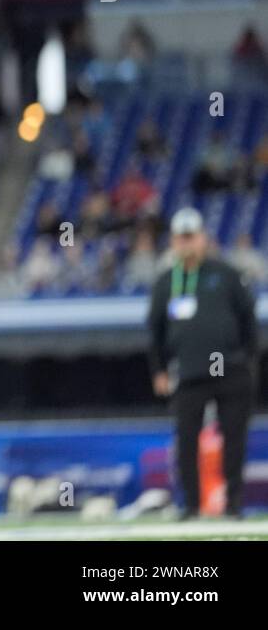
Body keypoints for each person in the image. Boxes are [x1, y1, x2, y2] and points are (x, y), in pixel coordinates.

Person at [147, 208, 259, 520]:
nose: (186, 244)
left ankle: (234, 504)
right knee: (186, 439)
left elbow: (248, 318)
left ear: (203, 238)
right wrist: (158, 369)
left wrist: (249, 360)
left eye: (191, 237)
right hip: (189, 372)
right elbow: (154, 329)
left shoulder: (225, 273)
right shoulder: (166, 281)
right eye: (180, 238)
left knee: (235, 437)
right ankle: (191, 505)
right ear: (172, 241)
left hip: (230, 370)